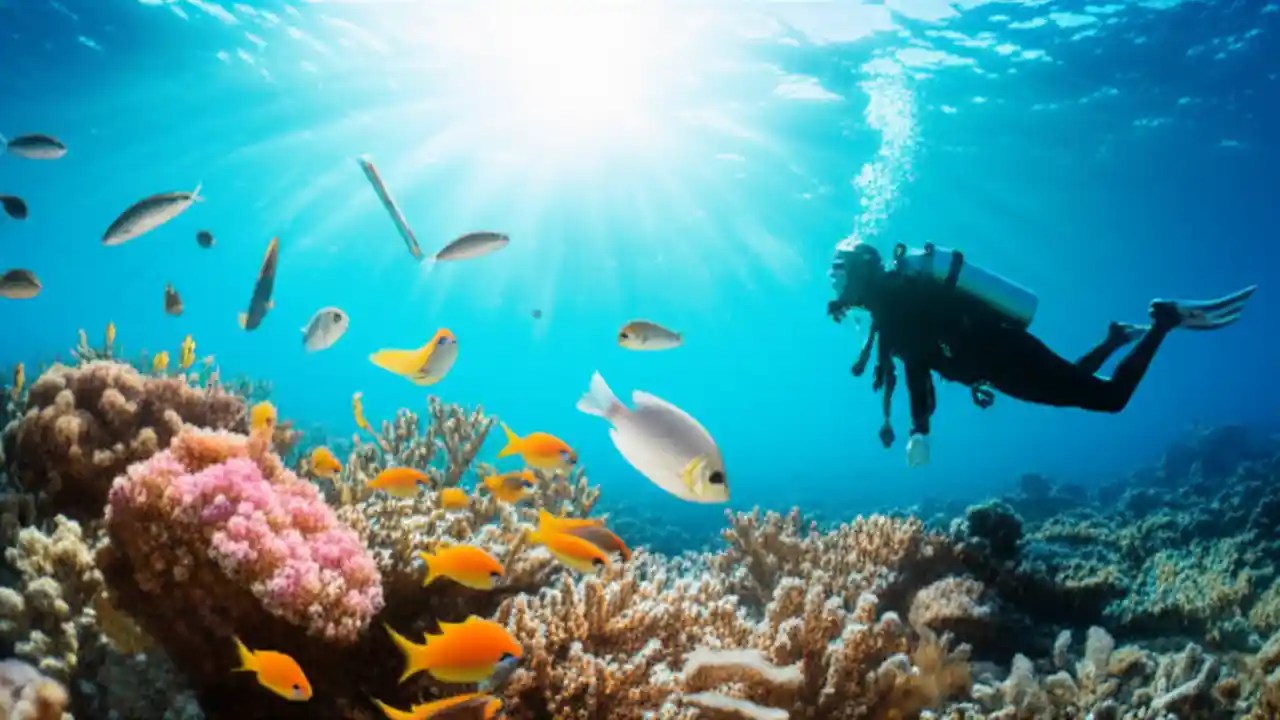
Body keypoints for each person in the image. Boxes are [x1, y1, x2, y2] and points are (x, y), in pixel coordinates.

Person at [826, 240, 1256, 467]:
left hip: (1003, 358)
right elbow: (920, 364)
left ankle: (1164, 321)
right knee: (1072, 385)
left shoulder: (897, 306)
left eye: (839, 275)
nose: (836, 286)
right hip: (1001, 358)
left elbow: (918, 370)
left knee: (1109, 399)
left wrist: (920, 431)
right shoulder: (895, 301)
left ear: (860, 272)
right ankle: (1114, 338)